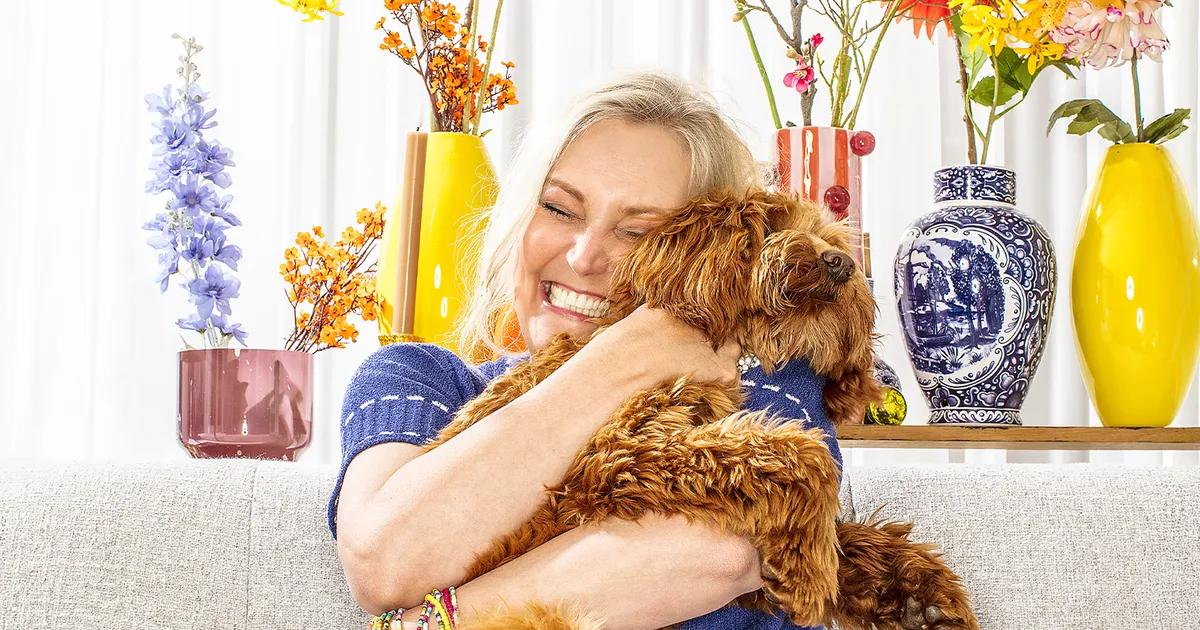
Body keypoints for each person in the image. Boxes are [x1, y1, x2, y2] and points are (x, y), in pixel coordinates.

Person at [328, 71, 841, 630]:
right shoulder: (418, 379)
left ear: (709, 256)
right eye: (560, 209)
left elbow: (721, 552)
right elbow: (384, 564)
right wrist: (621, 362)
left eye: (639, 233)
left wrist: (431, 623)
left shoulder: (767, 378)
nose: (584, 256)